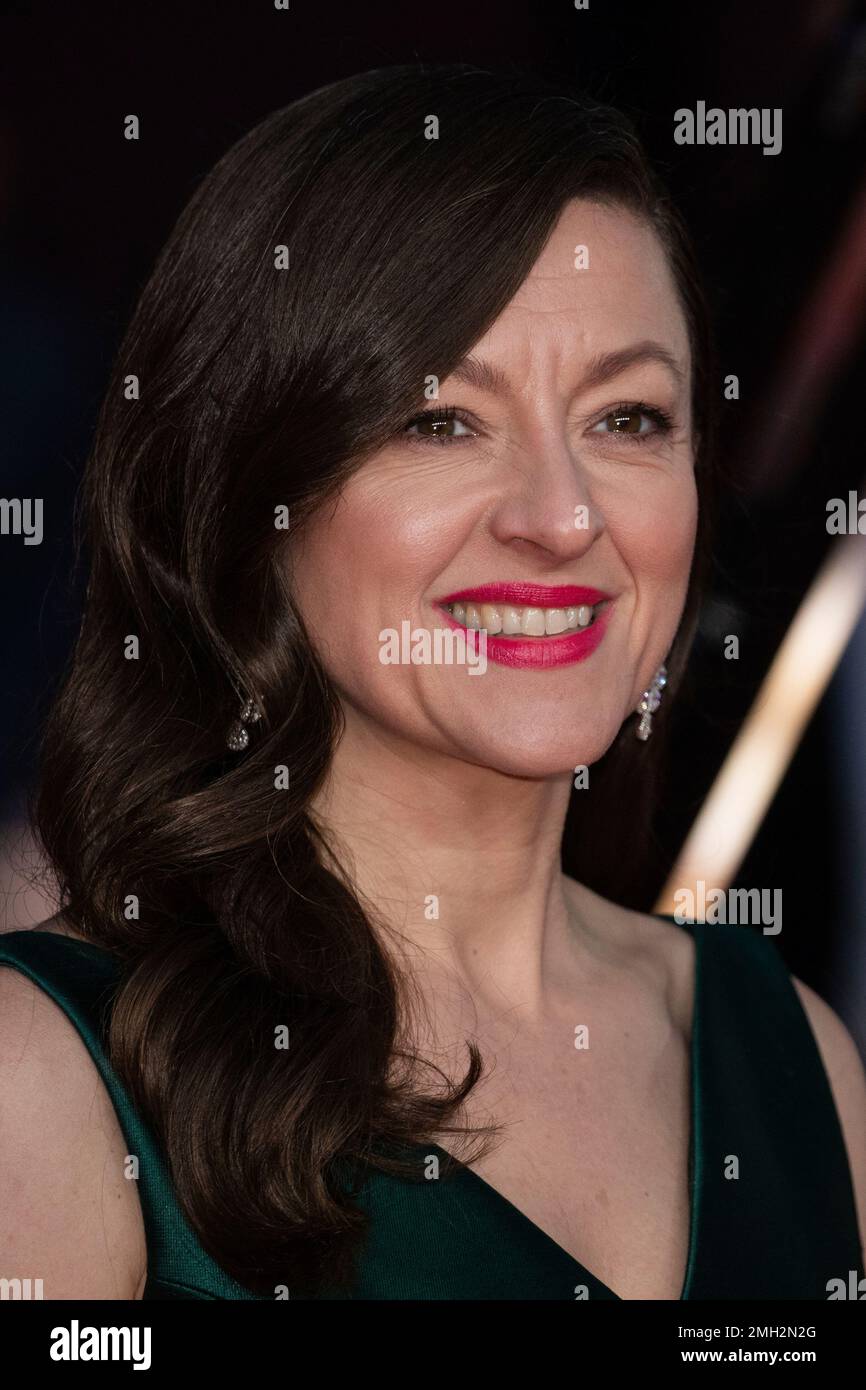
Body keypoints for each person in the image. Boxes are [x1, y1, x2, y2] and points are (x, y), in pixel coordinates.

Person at [1, 62, 864, 1302]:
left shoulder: (796, 1061)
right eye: (440, 421)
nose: (562, 517)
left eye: (626, 418)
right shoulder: (48, 1078)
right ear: (255, 497)